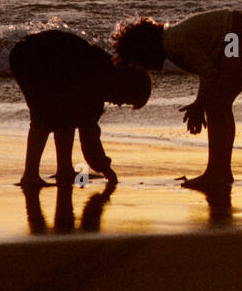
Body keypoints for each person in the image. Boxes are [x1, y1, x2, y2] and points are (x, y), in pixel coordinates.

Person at [111, 10, 242, 189]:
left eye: (139, 63)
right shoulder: (173, 40)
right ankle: (222, 172)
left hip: (239, 36)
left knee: (216, 105)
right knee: (220, 105)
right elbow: (209, 69)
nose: (145, 69)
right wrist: (200, 105)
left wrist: (198, 105)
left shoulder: (173, 45)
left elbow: (209, 71)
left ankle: (216, 172)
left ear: (145, 50)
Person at [9, 29, 151, 188]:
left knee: (65, 114)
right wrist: (106, 169)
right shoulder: (99, 81)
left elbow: (76, 122)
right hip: (31, 57)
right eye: (126, 101)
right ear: (125, 88)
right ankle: (30, 175)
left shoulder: (106, 71)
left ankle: (64, 169)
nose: (119, 105)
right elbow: (89, 140)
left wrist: (103, 167)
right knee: (43, 116)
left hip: (45, 56)